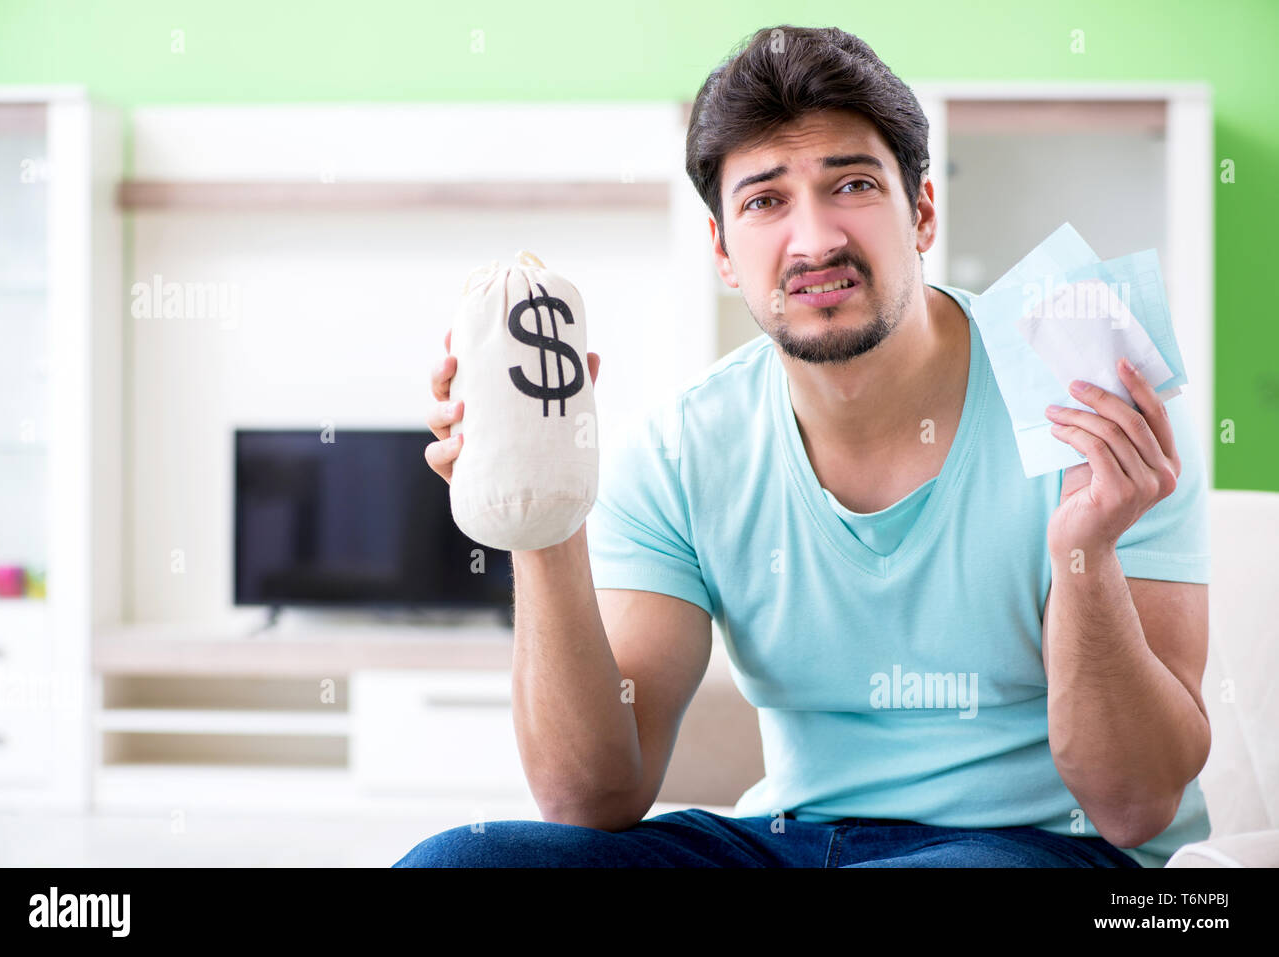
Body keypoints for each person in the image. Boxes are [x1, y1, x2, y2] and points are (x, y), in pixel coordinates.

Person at [397, 24, 1210, 868]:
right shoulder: (685, 446)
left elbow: (1135, 805)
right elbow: (589, 797)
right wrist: (548, 510)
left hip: (1039, 848)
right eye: (764, 201)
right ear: (721, 248)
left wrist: (1086, 553)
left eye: (851, 183)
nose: (814, 240)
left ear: (921, 211)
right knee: (461, 860)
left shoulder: (1088, 402)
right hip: (791, 840)